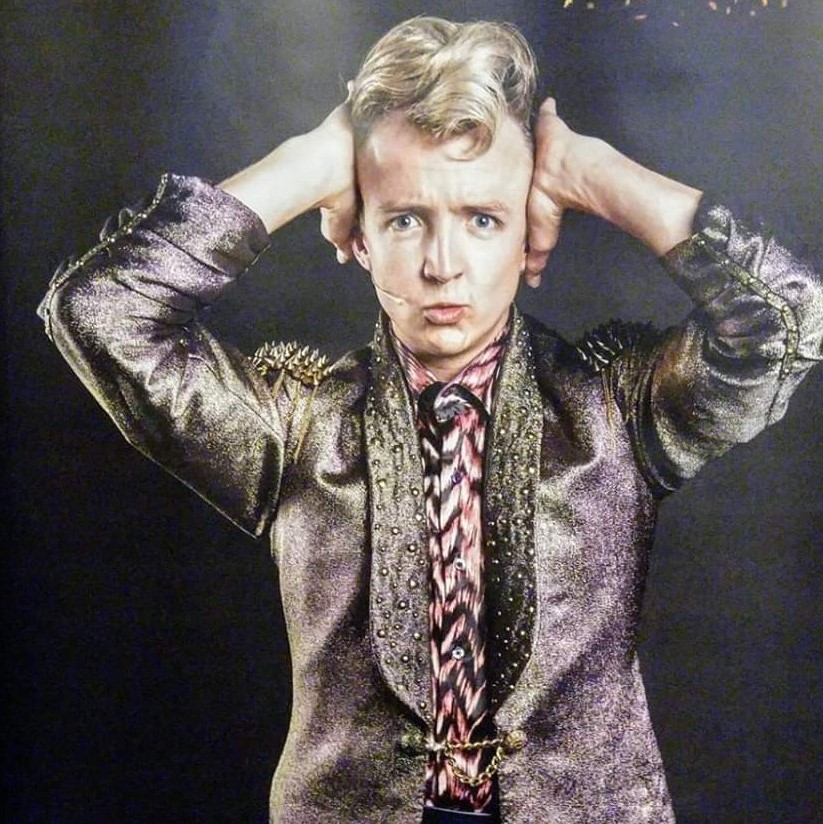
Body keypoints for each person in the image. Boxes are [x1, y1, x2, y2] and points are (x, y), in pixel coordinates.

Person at [37, 15, 822, 824]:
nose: (442, 265)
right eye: (406, 219)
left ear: (527, 230)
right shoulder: (296, 425)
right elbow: (100, 312)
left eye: (482, 218)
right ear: (360, 237)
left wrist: (591, 172)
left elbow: (787, 320)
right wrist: (311, 161)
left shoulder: (613, 408)